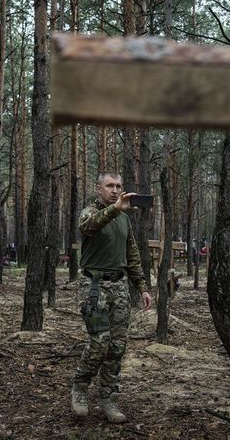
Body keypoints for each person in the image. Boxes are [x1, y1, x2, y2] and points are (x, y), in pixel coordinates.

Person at [71, 172, 152, 423]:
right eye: (110, 186)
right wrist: (115, 209)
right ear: (99, 189)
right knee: (99, 341)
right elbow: (88, 226)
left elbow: (132, 255)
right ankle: (80, 389)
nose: (115, 190)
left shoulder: (124, 219)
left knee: (117, 347)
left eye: (119, 186)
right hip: (93, 286)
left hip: (119, 287)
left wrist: (141, 286)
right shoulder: (90, 212)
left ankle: (107, 398)